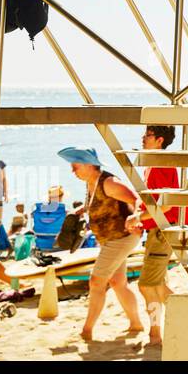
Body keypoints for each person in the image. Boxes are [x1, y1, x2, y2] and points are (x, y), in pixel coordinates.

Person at [58, 146, 144, 341]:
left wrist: (136, 217)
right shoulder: (91, 182)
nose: (73, 171)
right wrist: (80, 210)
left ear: (90, 165)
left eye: (75, 166)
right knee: (117, 282)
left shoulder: (110, 182)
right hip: (110, 239)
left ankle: (87, 330)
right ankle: (136, 323)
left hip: (122, 236)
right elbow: (97, 203)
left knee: (96, 281)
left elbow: (137, 198)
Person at [133, 125, 188, 345]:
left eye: (147, 135)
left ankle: (158, 332)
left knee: (147, 285)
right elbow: (153, 201)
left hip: (161, 231)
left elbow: (167, 205)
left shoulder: (160, 163)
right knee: (155, 284)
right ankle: (171, 326)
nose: (142, 138)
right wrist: (139, 217)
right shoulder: (153, 163)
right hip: (156, 229)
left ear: (159, 140)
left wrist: (138, 217)